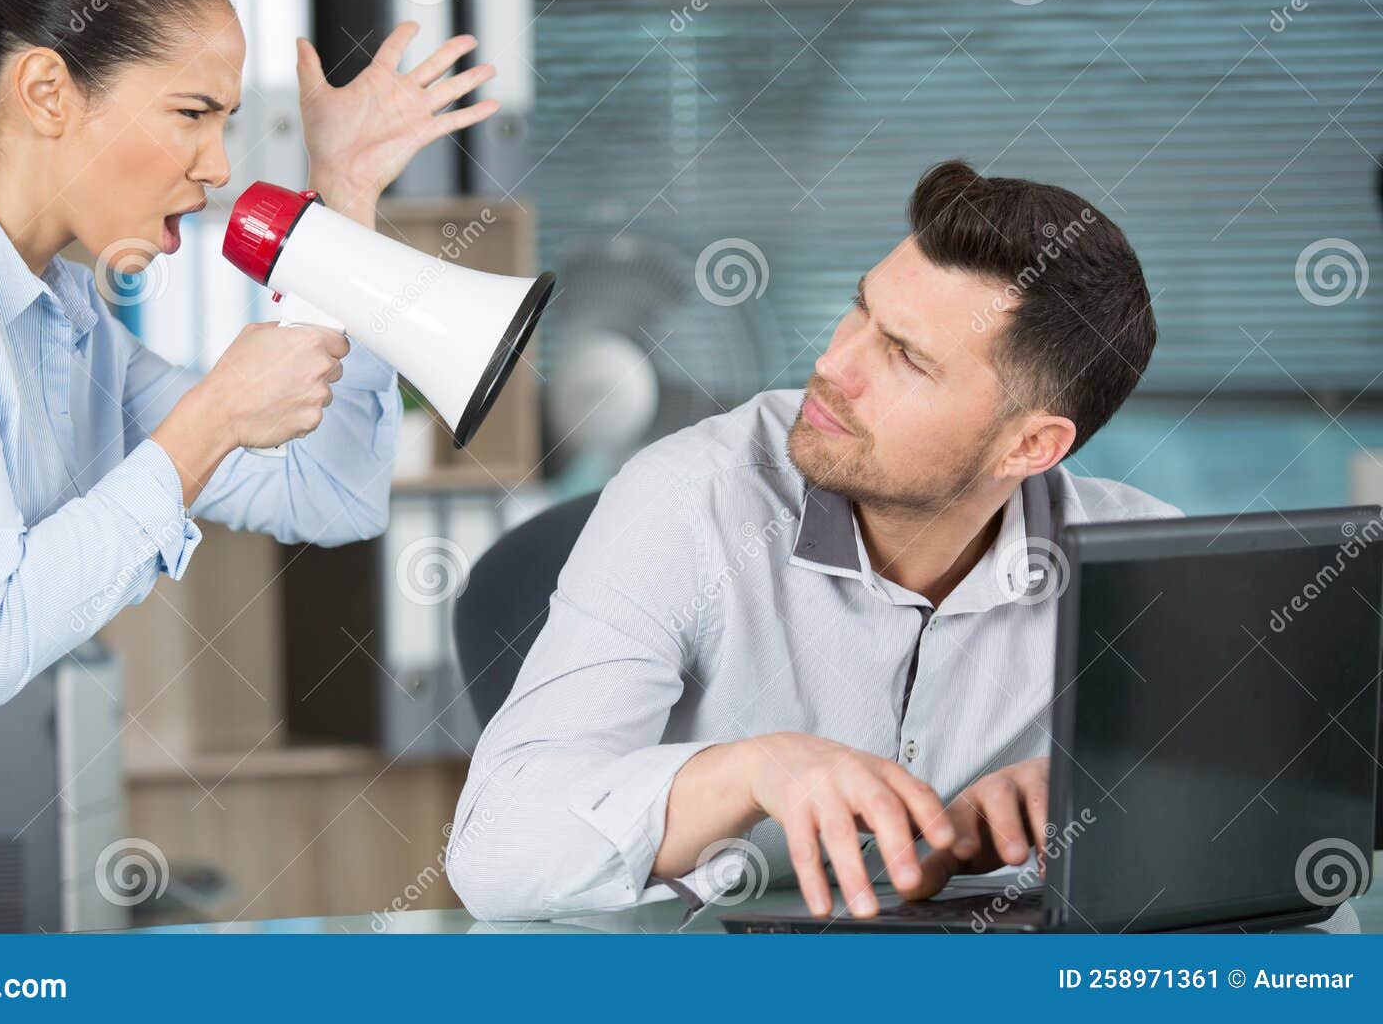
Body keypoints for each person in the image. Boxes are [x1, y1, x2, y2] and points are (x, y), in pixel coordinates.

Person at [0, 0, 498, 931]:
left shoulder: (63, 317)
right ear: (45, 91)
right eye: (191, 113)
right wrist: (207, 420)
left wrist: (343, 202)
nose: (215, 167)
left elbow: (333, 494)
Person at [447, 160, 1181, 922]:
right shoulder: (686, 500)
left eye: (906, 356)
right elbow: (493, 852)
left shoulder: (1141, 568)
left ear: (1029, 448)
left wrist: (1096, 795)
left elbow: (1280, 821)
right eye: (859, 311)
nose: (834, 365)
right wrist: (744, 772)